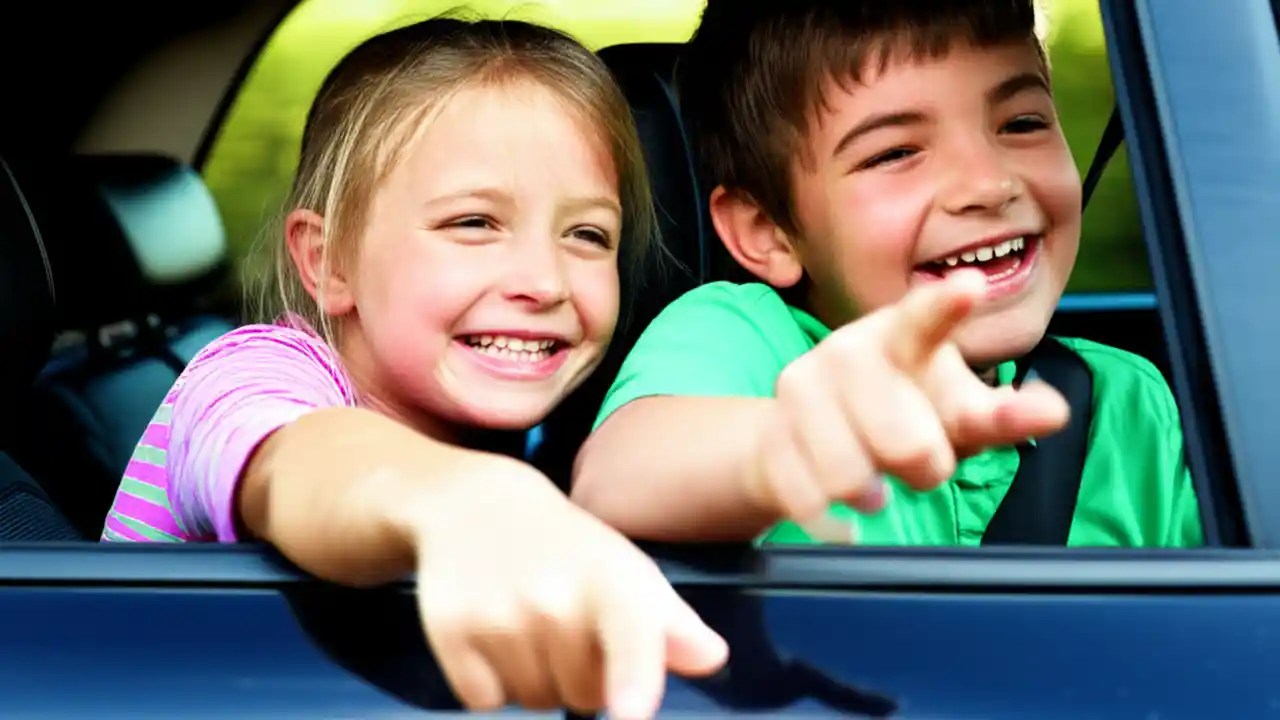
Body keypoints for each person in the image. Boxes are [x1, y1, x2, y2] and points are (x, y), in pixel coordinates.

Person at [99, 17, 727, 718]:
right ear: (328, 260)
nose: (544, 282)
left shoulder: (531, 433)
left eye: (587, 234)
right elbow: (298, 462)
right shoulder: (252, 373)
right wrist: (457, 501)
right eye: (474, 223)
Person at [573, 0, 1203, 548]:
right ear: (767, 230)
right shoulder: (742, 339)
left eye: (1022, 123)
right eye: (896, 153)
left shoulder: (1129, 402)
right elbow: (619, 478)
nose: (989, 184)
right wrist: (796, 442)